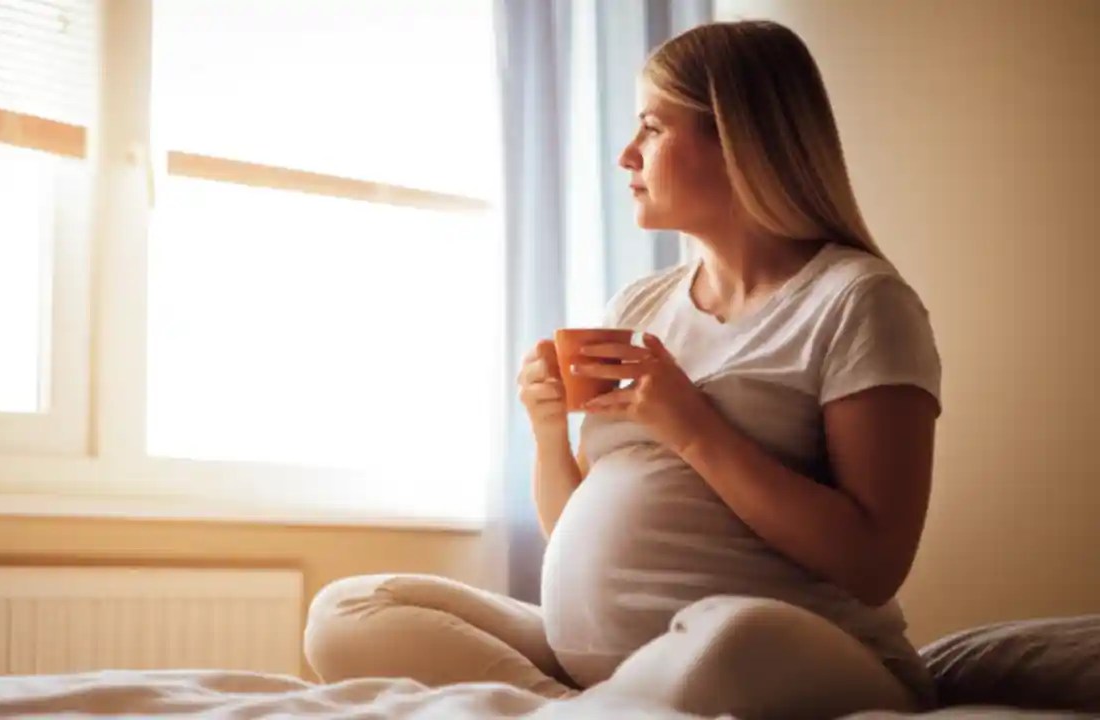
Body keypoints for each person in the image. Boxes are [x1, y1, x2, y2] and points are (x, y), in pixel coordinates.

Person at [304, 19, 941, 716]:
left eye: (652, 129)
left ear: (738, 141)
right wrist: (550, 432)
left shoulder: (858, 301)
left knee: (731, 636)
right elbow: (577, 526)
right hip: (604, 668)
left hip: (785, 654)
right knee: (351, 609)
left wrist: (693, 426)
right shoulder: (640, 304)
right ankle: (597, 709)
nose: (625, 156)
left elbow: (874, 562)